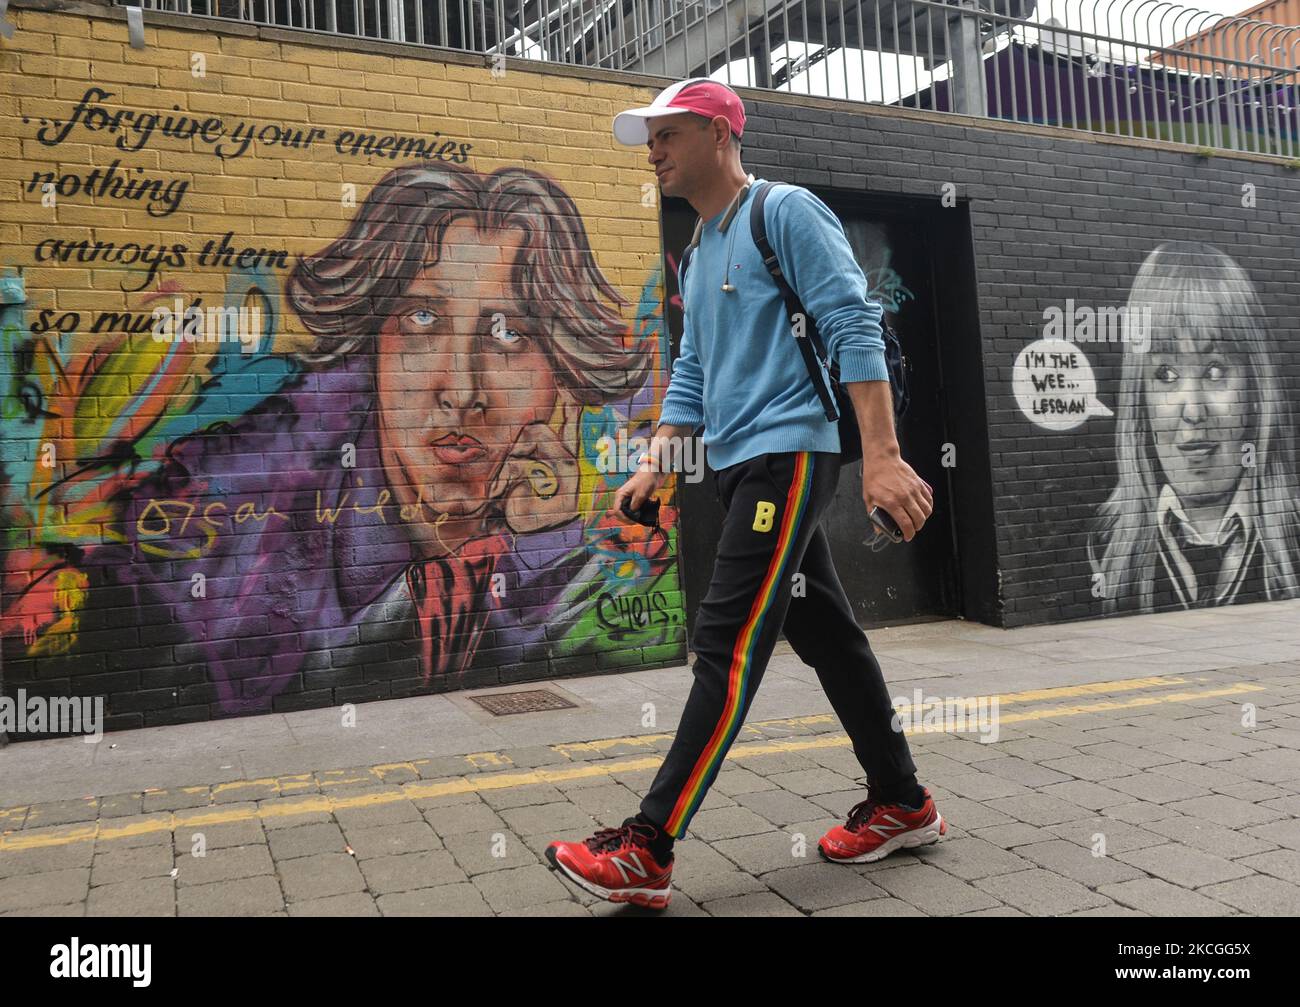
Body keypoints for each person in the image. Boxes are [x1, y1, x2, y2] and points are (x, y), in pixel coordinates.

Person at [545, 78, 944, 910]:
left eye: (666, 134)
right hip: (735, 468)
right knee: (828, 635)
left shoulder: (784, 214)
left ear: (721, 133)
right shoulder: (697, 250)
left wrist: (881, 457)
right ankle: (903, 801)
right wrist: (658, 463)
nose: (651, 151)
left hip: (789, 457)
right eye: (647, 138)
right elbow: (692, 369)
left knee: (724, 641)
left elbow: (852, 322)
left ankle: (648, 846)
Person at [1088, 241, 1300, 612]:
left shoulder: (1293, 533)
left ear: (1254, 390)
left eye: (1215, 370)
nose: (1193, 410)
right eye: (1165, 374)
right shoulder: (1102, 543)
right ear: (1141, 400)